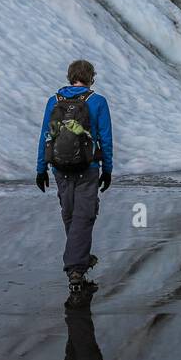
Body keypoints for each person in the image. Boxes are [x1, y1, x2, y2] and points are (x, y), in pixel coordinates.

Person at [35, 59, 113, 309]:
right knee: (84, 215)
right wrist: (107, 169)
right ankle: (76, 270)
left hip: (59, 167)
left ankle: (80, 257)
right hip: (87, 167)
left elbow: (45, 136)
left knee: (70, 213)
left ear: (70, 77)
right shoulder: (97, 102)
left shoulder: (54, 101)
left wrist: (41, 168)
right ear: (91, 78)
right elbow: (105, 139)